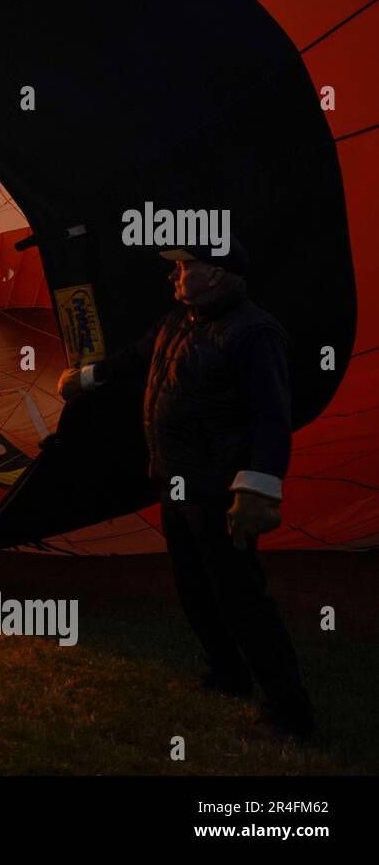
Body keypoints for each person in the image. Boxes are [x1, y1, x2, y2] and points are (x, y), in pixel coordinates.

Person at [58, 241, 314, 738]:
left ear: (216, 275)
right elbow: (138, 356)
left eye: (184, 266)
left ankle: (290, 711)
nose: (174, 275)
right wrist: (87, 378)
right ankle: (228, 673)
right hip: (175, 479)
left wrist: (258, 489)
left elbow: (271, 417)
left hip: (218, 488)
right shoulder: (180, 320)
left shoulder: (254, 333)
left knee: (239, 596)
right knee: (194, 588)